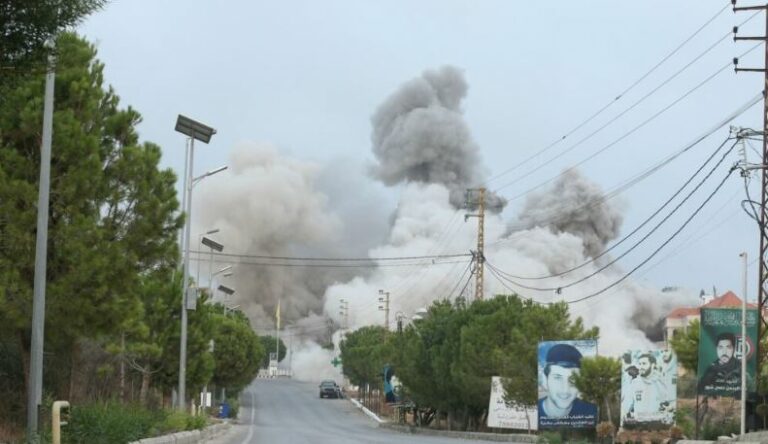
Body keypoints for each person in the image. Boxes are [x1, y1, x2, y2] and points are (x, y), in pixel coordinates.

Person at [538, 343, 596, 419]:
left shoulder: (591, 412)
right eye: (557, 378)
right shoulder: (535, 412)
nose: (565, 390)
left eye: (573, 379)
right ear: (545, 380)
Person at [622, 353, 672, 422]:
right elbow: (626, 407)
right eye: (639, 364)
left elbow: (670, 404)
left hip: (657, 424)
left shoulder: (661, 382)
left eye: (644, 364)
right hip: (639, 424)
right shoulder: (634, 383)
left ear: (653, 365)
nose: (641, 367)